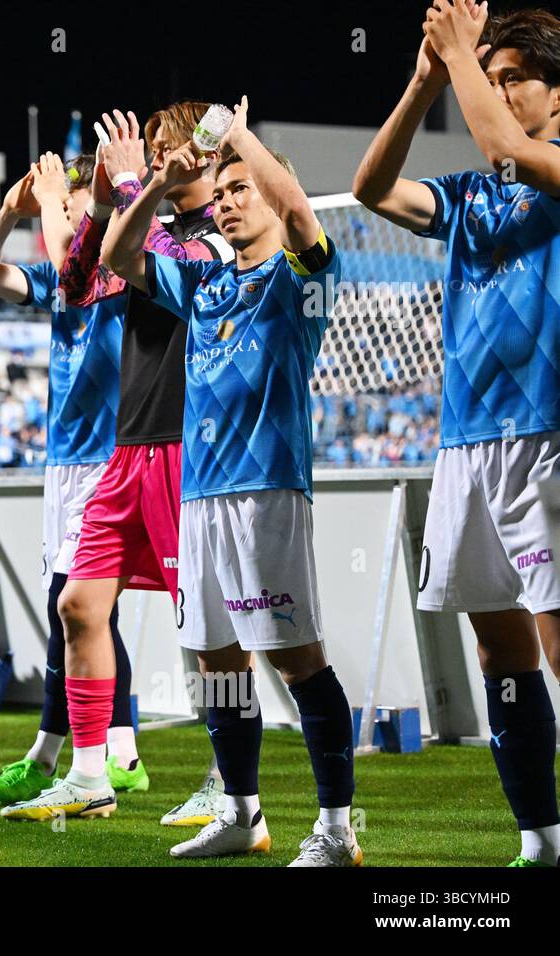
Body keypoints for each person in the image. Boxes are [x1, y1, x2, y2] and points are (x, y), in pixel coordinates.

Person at [112, 97, 361, 866]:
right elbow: (120, 259)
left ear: (275, 198)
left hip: (266, 495)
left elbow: (298, 206)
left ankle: (337, 829)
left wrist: (238, 137)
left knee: (298, 660)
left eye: (238, 189)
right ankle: (244, 813)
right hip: (202, 499)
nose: (223, 202)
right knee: (216, 662)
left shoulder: (299, 283)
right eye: (217, 194)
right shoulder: (204, 285)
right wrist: (157, 184)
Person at [353, 0, 560, 867]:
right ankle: (539, 836)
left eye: (515, 77)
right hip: (466, 445)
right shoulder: (472, 196)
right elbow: (369, 190)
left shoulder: (545, 162)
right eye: (494, 77)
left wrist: (462, 60)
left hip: (549, 437)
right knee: (497, 645)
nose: (500, 92)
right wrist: (424, 79)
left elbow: (510, 148)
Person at [53, 103, 238, 828]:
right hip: (128, 445)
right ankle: (90, 775)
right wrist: (104, 199)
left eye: (166, 144)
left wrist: (137, 186)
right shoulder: (148, 219)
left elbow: (164, 267)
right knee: (78, 604)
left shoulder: (224, 235)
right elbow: (76, 284)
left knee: (209, 632)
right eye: (150, 147)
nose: (157, 156)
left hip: (189, 448)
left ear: (205, 149)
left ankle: (231, 778)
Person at [0, 150, 145, 818]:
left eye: (64, 201)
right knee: (64, 604)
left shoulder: (124, 269)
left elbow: (79, 271)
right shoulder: (61, 275)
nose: (57, 209)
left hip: (108, 453)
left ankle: (106, 758)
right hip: (63, 461)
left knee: (81, 605)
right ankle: (94, 754)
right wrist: (12, 210)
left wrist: (70, 210)